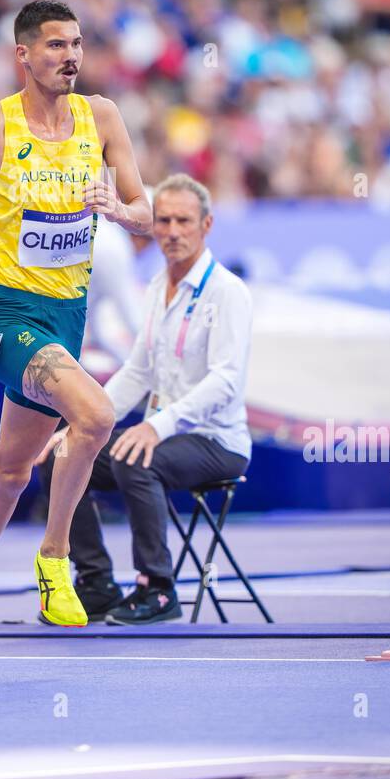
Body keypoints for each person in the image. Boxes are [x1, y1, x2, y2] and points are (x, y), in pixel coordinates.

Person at [0, 0, 152, 671]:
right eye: (54, 46)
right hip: (9, 318)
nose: (69, 56)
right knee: (97, 413)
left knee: (12, 472)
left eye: (75, 44)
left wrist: (119, 210)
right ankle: (55, 560)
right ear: (23, 55)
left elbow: (146, 211)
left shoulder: (101, 118)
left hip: (66, 317)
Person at [37, 173, 253, 625]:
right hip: (166, 434)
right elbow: (137, 371)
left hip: (218, 441)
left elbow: (226, 381)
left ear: (207, 225)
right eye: (163, 221)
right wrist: (81, 424)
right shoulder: (156, 287)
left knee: (136, 458)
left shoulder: (229, 292)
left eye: (183, 221)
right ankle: (94, 581)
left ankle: (158, 588)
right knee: (61, 454)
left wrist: (159, 424)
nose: (172, 231)